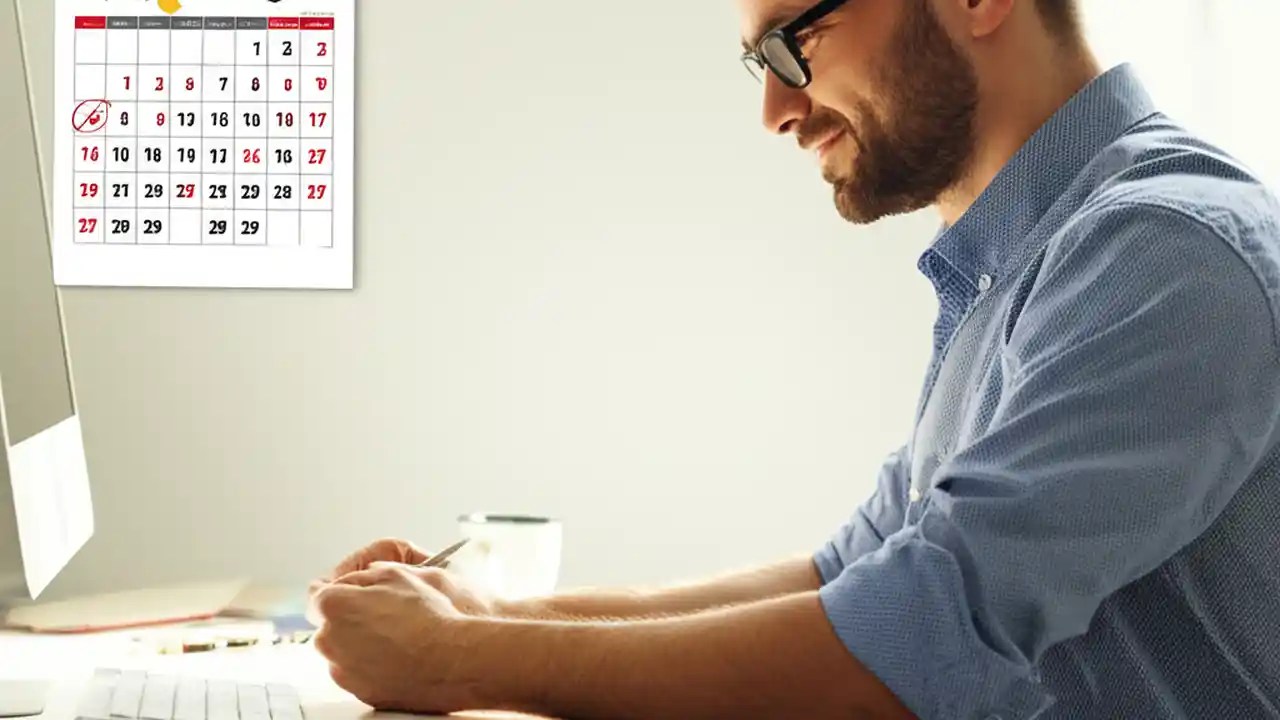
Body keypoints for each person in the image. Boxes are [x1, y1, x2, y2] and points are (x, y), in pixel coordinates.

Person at [307, 0, 1280, 717]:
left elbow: (909, 633)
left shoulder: (1159, 250)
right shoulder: (1021, 265)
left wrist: (456, 659)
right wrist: (494, 618)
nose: (774, 108)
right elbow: (844, 575)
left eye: (794, 41)